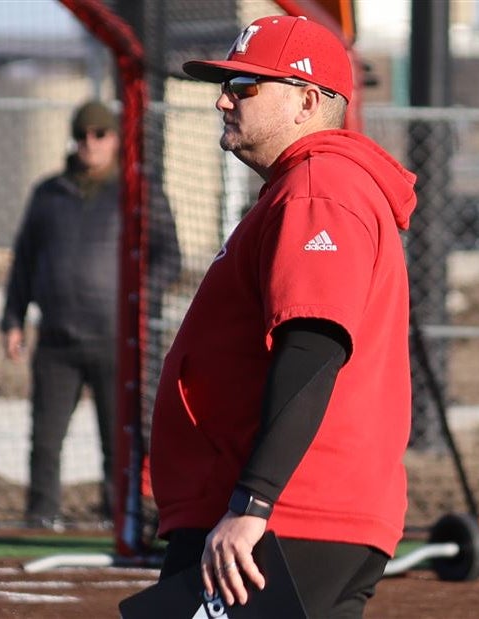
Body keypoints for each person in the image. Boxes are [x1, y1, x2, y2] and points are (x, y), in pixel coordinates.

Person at [148, 15, 417, 618]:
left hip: (286, 516)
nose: (223, 100)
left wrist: (254, 501)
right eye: (226, 86)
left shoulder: (321, 186)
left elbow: (313, 345)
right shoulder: (306, 186)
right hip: (295, 514)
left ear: (306, 101)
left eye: (245, 86)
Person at [1, 100, 180, 529]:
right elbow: (24, 260)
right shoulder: (49, 194)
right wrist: (12, 319)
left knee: (120, 440)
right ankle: (41, 517)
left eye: (99, 134)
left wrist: (140, 295)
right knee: (45, 439)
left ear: (115, 139)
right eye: (82, 135)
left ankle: (120, 519)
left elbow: (169, 257)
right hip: (57, 339)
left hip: (117, 341)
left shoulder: (138, 192)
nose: (90, 143)